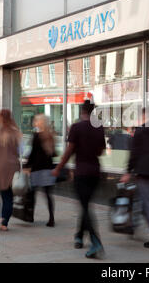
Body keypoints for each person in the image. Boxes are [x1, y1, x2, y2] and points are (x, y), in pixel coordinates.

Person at [53, 100, 106, 259]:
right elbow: (100, 152)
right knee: (85, 205)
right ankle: (78, 236)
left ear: (82, 111)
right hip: (95, 172)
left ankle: (96, 243)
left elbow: (69, 150)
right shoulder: (99, 127)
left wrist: (58, 167)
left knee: (85, 207)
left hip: (82, 173)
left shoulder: (76, 127)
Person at [121, 107, 149, 249]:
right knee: (140, 200)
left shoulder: (139, 132)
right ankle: (132, 225)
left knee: (148, 204)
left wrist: (128, 171)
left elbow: (134, 153)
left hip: (142, 171)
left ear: (143, 117)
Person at [24, 114, 56, 227]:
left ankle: (30, 216)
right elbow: (54, 153)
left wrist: (26, 165)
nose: (35, 122)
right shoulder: (51, 135)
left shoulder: (36, 136)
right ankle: (51, 218)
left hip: (37, 169)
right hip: (48, 168)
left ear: (39, 123)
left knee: (32, 193)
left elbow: (32, 153)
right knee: (48, 194)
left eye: (36, 121)